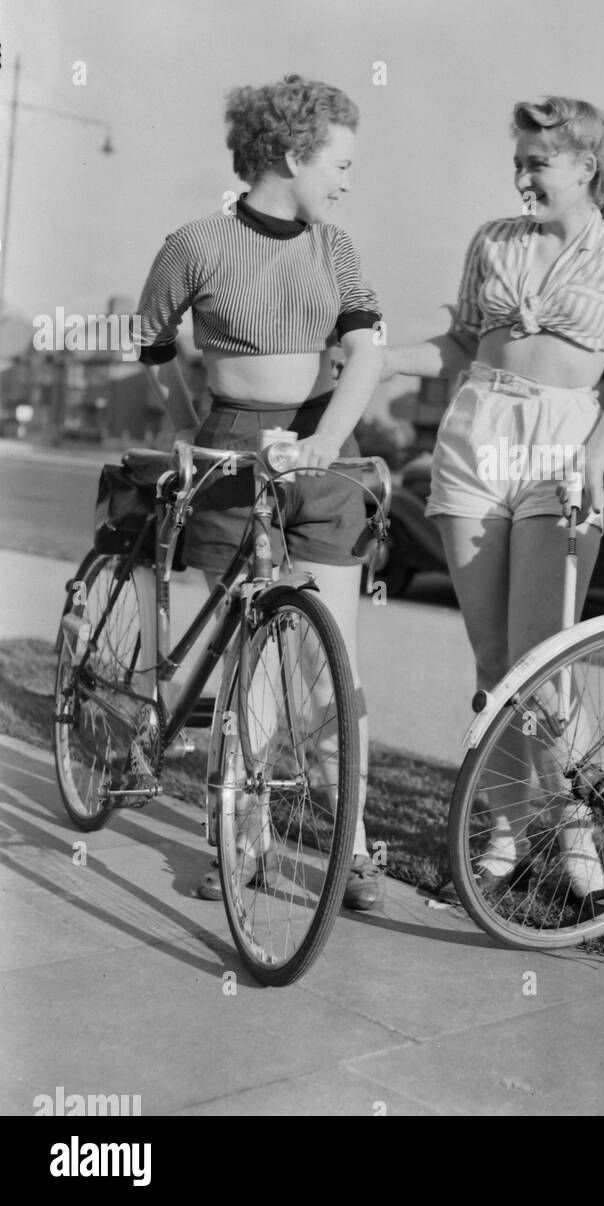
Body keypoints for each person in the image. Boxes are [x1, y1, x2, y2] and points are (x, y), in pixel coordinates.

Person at [381, 95, 604, 911]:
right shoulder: (492, 242)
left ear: (587, 166)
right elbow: (462, 344)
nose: (522, 174)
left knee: (548, 666)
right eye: (519, 159)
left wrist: (591, 461)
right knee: (494, 660)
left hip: (563, 448)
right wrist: (374, 359)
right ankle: (507, 833)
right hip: (477, 432)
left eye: (538, 160)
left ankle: (574, 846)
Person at [135, 73, 385, 911]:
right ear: (289, 154)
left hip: (322, 451)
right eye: (339, 163)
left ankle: (350, 844)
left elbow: (369, 355)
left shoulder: (335, 248)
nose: (348, 180)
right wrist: (191, 423)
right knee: (254, 669)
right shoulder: (197, 243)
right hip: (233, 450)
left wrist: (324, 441)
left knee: (328, 668)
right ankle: (240, 837)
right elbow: (153, 342)